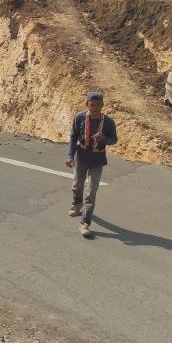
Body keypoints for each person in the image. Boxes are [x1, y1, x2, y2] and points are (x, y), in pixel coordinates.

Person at [65, 91, 118, 238]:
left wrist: (104, 139)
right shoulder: (80, 117)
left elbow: (114, 140)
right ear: (86, 104)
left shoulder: (108, 122)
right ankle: (76, 204)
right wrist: (70, 156)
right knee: (77, 184)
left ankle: (85, 223)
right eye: (92, 105)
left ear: (103, 105)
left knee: (92, 190)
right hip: (81, 155)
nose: (95, 108)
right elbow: (73, 136)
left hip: (98, 158)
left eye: (98, 105)